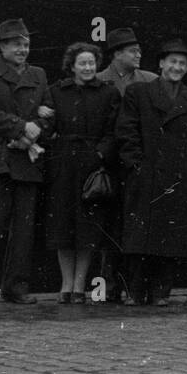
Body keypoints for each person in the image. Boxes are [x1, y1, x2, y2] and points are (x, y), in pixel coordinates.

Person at [0, 19, 53, 305]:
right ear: (2, 46)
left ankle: (16, 287)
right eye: (16, 44)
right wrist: (22, 128)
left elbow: (51, 114)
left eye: (26, 44)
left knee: (23, 229)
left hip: (27, 160)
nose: (22, 49)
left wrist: (35, 130)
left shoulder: (39, 75)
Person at [117, 38, 187, 306]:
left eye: (182, 63)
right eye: (172, 62)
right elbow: (126, 132)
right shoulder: (139, 93)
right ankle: (134, 290)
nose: (177, 67)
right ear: (161, 64)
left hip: (178, 180)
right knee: (140, 238)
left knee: (171, 239)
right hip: (147, 176)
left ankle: (160, 291)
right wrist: (137, 166)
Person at [44, 42, 120, 304]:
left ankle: (79, 286)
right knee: (63, 226)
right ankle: (65, 284)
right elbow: (47, 124)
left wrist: (100, 154)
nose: (88, 68)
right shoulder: (56, 91)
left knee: (88, 227)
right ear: (72, 66)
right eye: (82, 63)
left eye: (91, 63)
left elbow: (113, 130)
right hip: (63, 164)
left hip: (92, 165)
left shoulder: (108, 94)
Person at [92, 26, 155, 303]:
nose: (139, 54)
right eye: (132, 50)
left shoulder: (150, 81)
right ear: (116, 54)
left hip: (135, 161)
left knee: (133, 225)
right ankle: (105, 284)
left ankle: (129, 283)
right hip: (107, 163)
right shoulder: (98, 80)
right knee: (106, 226)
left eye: (139, 49)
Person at [96, 27, 158, 94]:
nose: (139, 55)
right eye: (133, 51)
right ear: (118, 54)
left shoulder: (151, 80)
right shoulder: (97, 81)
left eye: (139, 51)